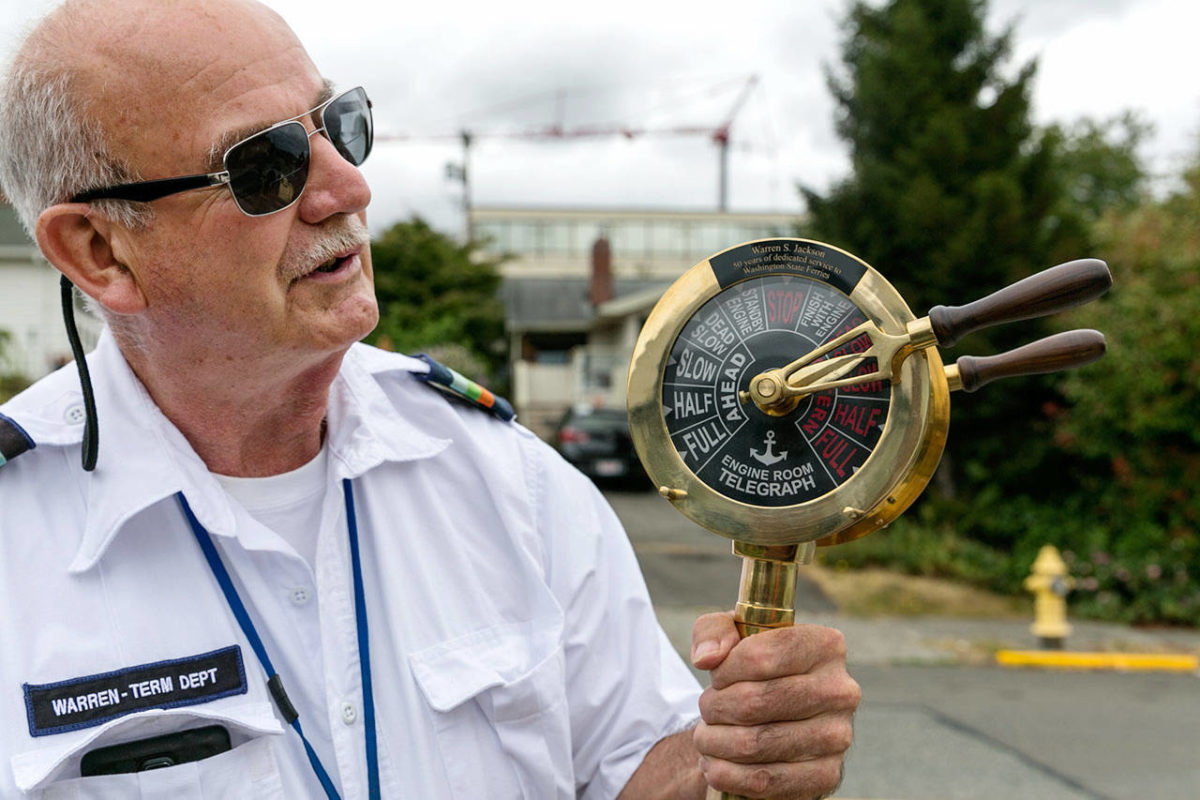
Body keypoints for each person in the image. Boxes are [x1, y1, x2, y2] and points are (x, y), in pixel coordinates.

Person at [0, 1, 859, 797]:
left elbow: (628, 765)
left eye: (339, 126)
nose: (346, 190)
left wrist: (737, 752)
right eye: (266, 166)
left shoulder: (507, 480)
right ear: (99, 249)